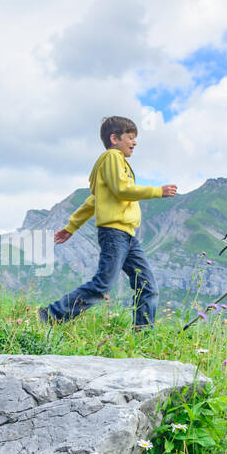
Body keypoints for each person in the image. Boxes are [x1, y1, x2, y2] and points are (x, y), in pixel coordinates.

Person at [40, 116, 177, 329]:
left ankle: (143, 336)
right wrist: (158, 191)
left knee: (148, 286)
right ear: (114, 138)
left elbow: (94, 201)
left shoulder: (117, 164)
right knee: (103, 284)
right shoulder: (113, 157)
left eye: (135, 138)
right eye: (130, 137)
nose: (134, 142)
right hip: (114, 234)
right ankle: (51, 315)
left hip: (127, 236)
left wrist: (71, 227)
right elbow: (122, 189)